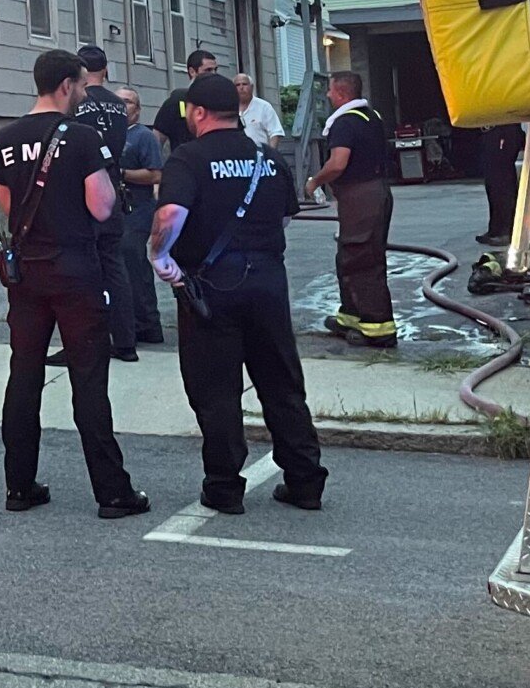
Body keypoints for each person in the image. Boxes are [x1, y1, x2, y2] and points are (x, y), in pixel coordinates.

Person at [0, 48, 149, 519]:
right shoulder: (82, 138)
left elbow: (7, 207)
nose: (81, 93)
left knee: (24, 375)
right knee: (89, 380)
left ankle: (19, 485)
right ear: (65, 86)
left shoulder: (6, 139)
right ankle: (112, 492)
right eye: (78, 85)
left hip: (27, 274)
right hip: (75, 267)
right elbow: (101, 207)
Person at [149, 73, 327, 511]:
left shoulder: (188, 159)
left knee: (217, 391)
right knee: (282, 383)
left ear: (199, 112)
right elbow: (285, 216)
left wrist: (159, 256)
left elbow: (171, 214)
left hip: (210, 288)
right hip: (267, 281)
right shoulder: (267, 157)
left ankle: (225, 487)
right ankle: (305, 481)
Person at [308, 70, 397, 348]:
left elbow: (337, 163)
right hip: (376, 193)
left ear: (342, 94)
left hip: (361, 198)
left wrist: (314, 182)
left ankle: (377, 327)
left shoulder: (345, 123)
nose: (328, 95)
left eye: (331, 91)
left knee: (361, 259)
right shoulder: (372, 116)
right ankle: (351, 314)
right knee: (350, 255)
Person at [70, 45, 141, 362]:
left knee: (81, 264)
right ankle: (126, 340)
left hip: (83, 185)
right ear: (106, 70)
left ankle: (85, 339)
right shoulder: (118, 105)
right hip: (113, 181)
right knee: (114, 264)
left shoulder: (77, 102)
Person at [115, 87, 167, 348]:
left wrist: (122, 173)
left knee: (131, 258)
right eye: (119, 102)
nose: (123, 106)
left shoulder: (143, 136)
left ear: (137, 109)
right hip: (113, 208)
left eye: (128, 102)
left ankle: (148, 324)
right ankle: (127, 322)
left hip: (138, 207)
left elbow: (155, 175)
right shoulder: (109, 134)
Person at [152, 49, 221, 149]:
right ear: (192, 72)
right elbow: (156, 141)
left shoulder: (221, 101)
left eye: (215, 70)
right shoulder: (176, 100)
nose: (213, 74)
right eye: (208, 70)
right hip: (185, 161)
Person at [479, 123, 527, 248]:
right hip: (491, 131)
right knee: (492, 184)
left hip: (505, 130)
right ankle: (495, 229)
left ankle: (506, 231)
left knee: (504, 184)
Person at [233, 70, 286, 152]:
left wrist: (270, 155)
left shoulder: (264, 107)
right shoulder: (228, 108)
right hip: (236, 158)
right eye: (237, 85)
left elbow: (276, 133)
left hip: (259, 156)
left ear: (252, 87)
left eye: (244, 84)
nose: (241, 88)